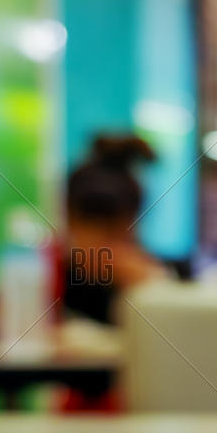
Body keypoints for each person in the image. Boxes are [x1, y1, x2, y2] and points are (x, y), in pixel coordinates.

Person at [61, 134, 169, 324]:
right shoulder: (52, 277)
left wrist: (152, 284)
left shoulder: (150, 278)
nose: (100, 250)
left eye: (111, 235)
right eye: (92, 229)